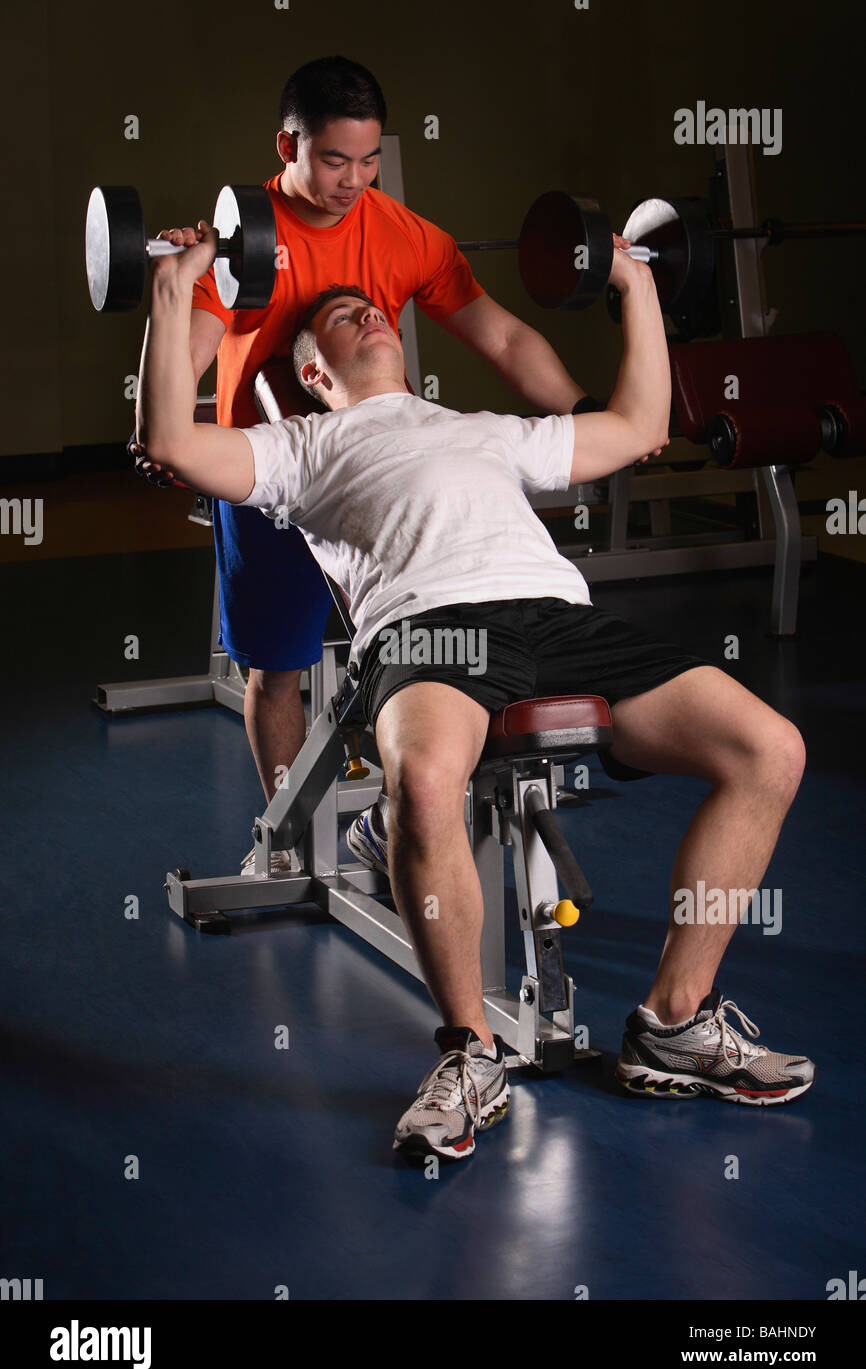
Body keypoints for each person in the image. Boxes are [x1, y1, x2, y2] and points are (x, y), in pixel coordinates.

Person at [136, 220, 815, 1163]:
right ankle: (469, 1052)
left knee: (771, 749)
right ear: (318, 375)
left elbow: (639, 427)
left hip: (559, 619)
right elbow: (169, 439)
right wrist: (176, 288)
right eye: (339, 316)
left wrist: (635, 284)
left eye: (371, 307)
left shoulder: (486, 430)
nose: (367, 313)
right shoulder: (298, 447)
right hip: (430, 633)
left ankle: (672, 1020)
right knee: (422, 784)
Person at [134, 54, 652, 878]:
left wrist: (589, 412)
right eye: (335, 159)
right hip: (268, 473)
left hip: (380, 475)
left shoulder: (407, 236)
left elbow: (505, 337)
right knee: (278, 671)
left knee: (423, 649)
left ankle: (404, 807)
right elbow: (193, 351)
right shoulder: (243, 239)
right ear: (288, 145)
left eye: (369, 159)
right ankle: (288, 842)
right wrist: (166, 427)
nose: (353, 180)